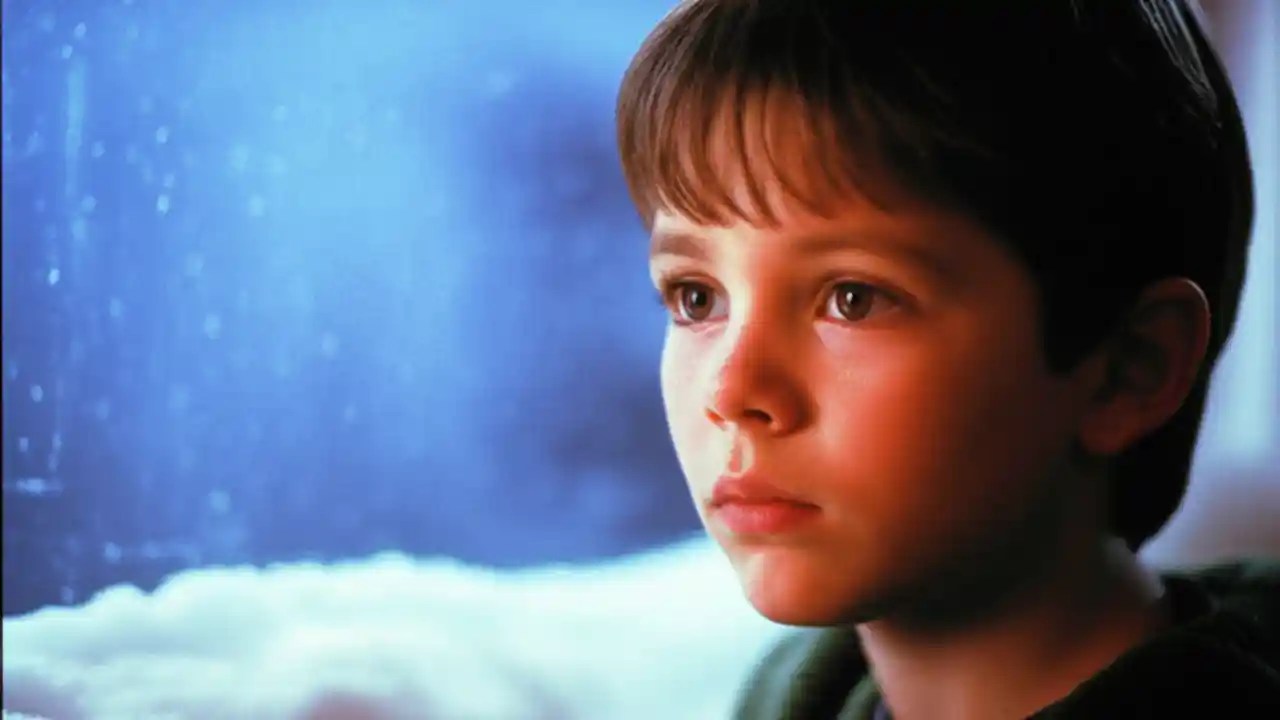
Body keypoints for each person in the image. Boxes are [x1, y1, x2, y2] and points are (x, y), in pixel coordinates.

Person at [614, 1, 1280, 717]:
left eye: (853, 299)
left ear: (1129, 369)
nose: (731, 392)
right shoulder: (791, 693)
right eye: (696, 299)